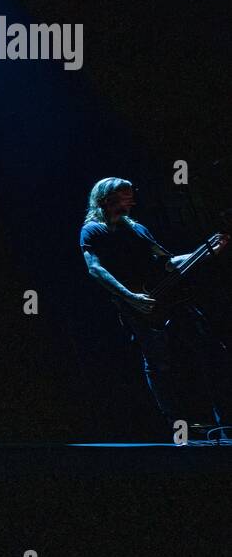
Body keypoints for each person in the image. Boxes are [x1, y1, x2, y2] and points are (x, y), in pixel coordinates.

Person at [80, 177, 229, 430]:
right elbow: (95, 268)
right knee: (159, 362)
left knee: (208, 347)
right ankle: (175, 422)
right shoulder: (93, 230)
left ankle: (223, 417)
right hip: (138, 304)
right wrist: (130, 297)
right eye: (125, 194)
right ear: (106, 199)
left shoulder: (137, 228)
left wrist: (205, 252)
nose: (132, 198)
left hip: (171, 298)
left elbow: (168, 263)